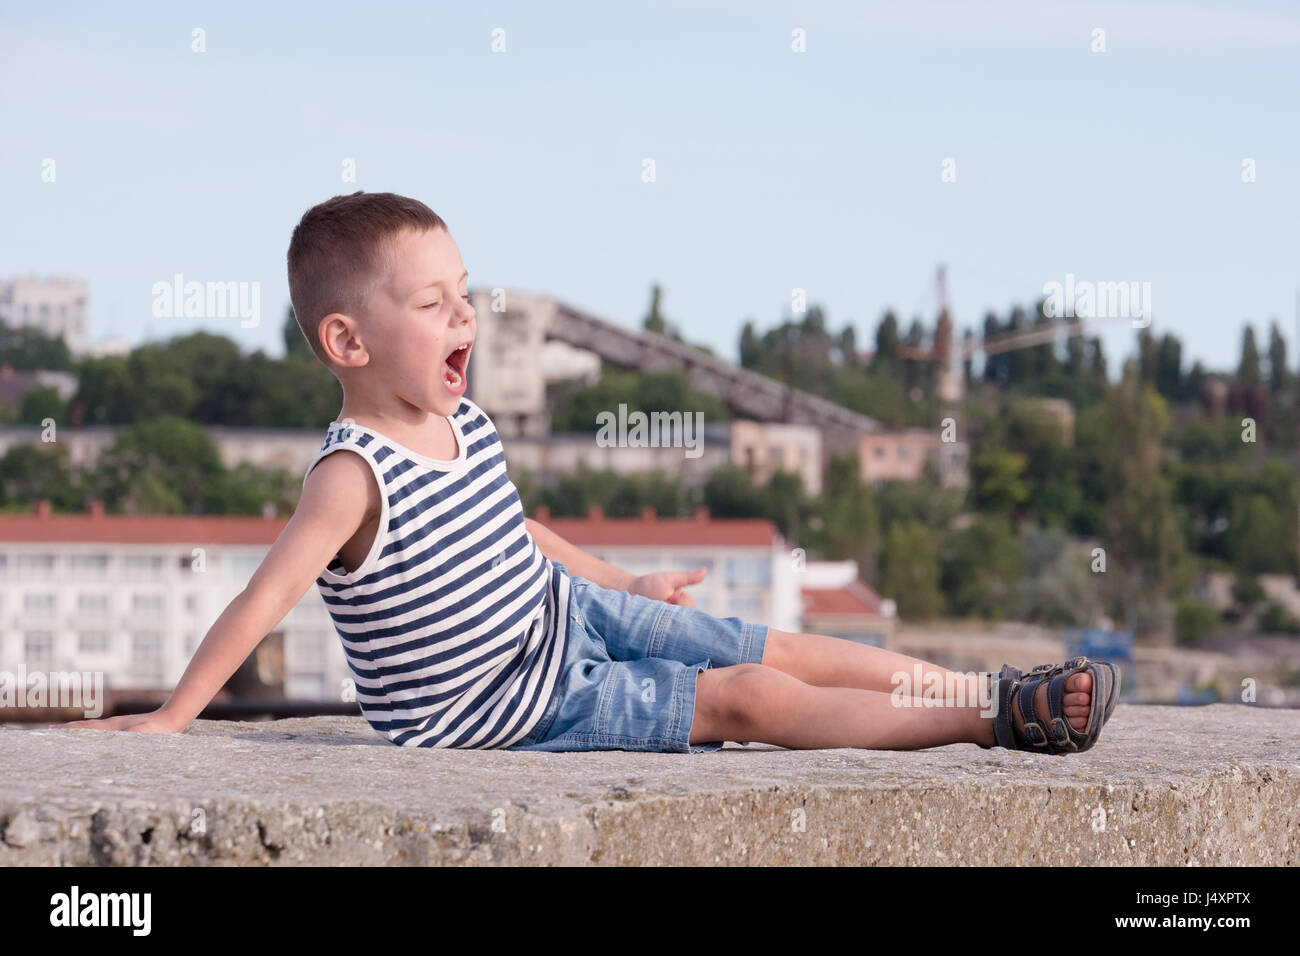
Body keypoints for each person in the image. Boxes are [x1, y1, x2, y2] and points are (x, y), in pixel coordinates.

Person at [55, 191, 1119, 756]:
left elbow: (522, 540)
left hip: (573, 615)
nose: (464, 317)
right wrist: (170, 717)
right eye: (432, 304)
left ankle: (988, 684)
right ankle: (995, 721)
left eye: (463, 294)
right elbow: (264, 598)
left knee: (776, 644)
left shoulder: (466, 422)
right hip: (515, 699)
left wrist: (624, 581)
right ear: (347, 341)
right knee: (750, 696)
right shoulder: (353, 472)